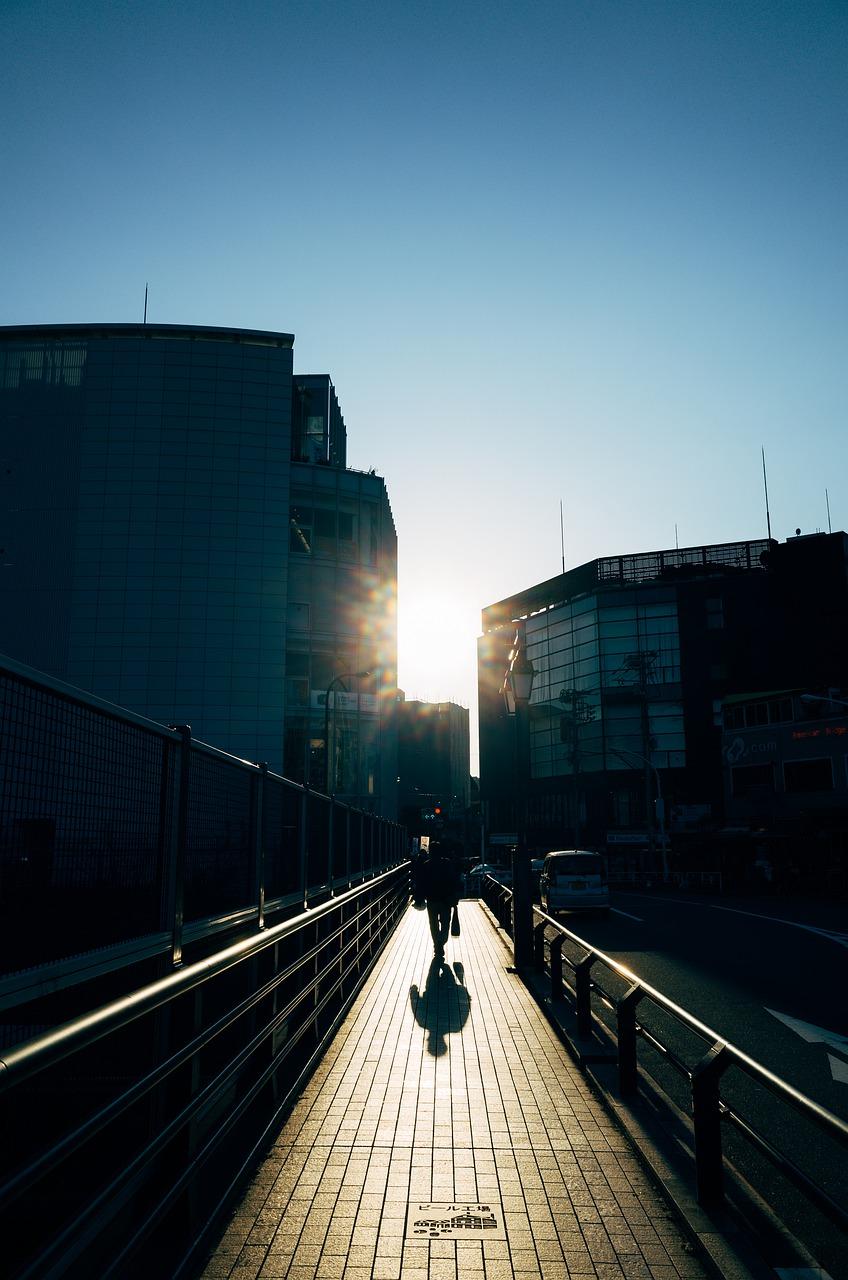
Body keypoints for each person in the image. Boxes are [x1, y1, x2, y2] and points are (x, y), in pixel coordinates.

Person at [419, 842, 461, 960]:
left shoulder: (426, 865)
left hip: (432, 899)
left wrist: (420, 897)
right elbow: (453, 880)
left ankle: (437, 943)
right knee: (445, 923)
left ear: (431, 852)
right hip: (445, 900)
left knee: (433, 923)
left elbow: (422, 883)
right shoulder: (447, 864)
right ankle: (441, 942)